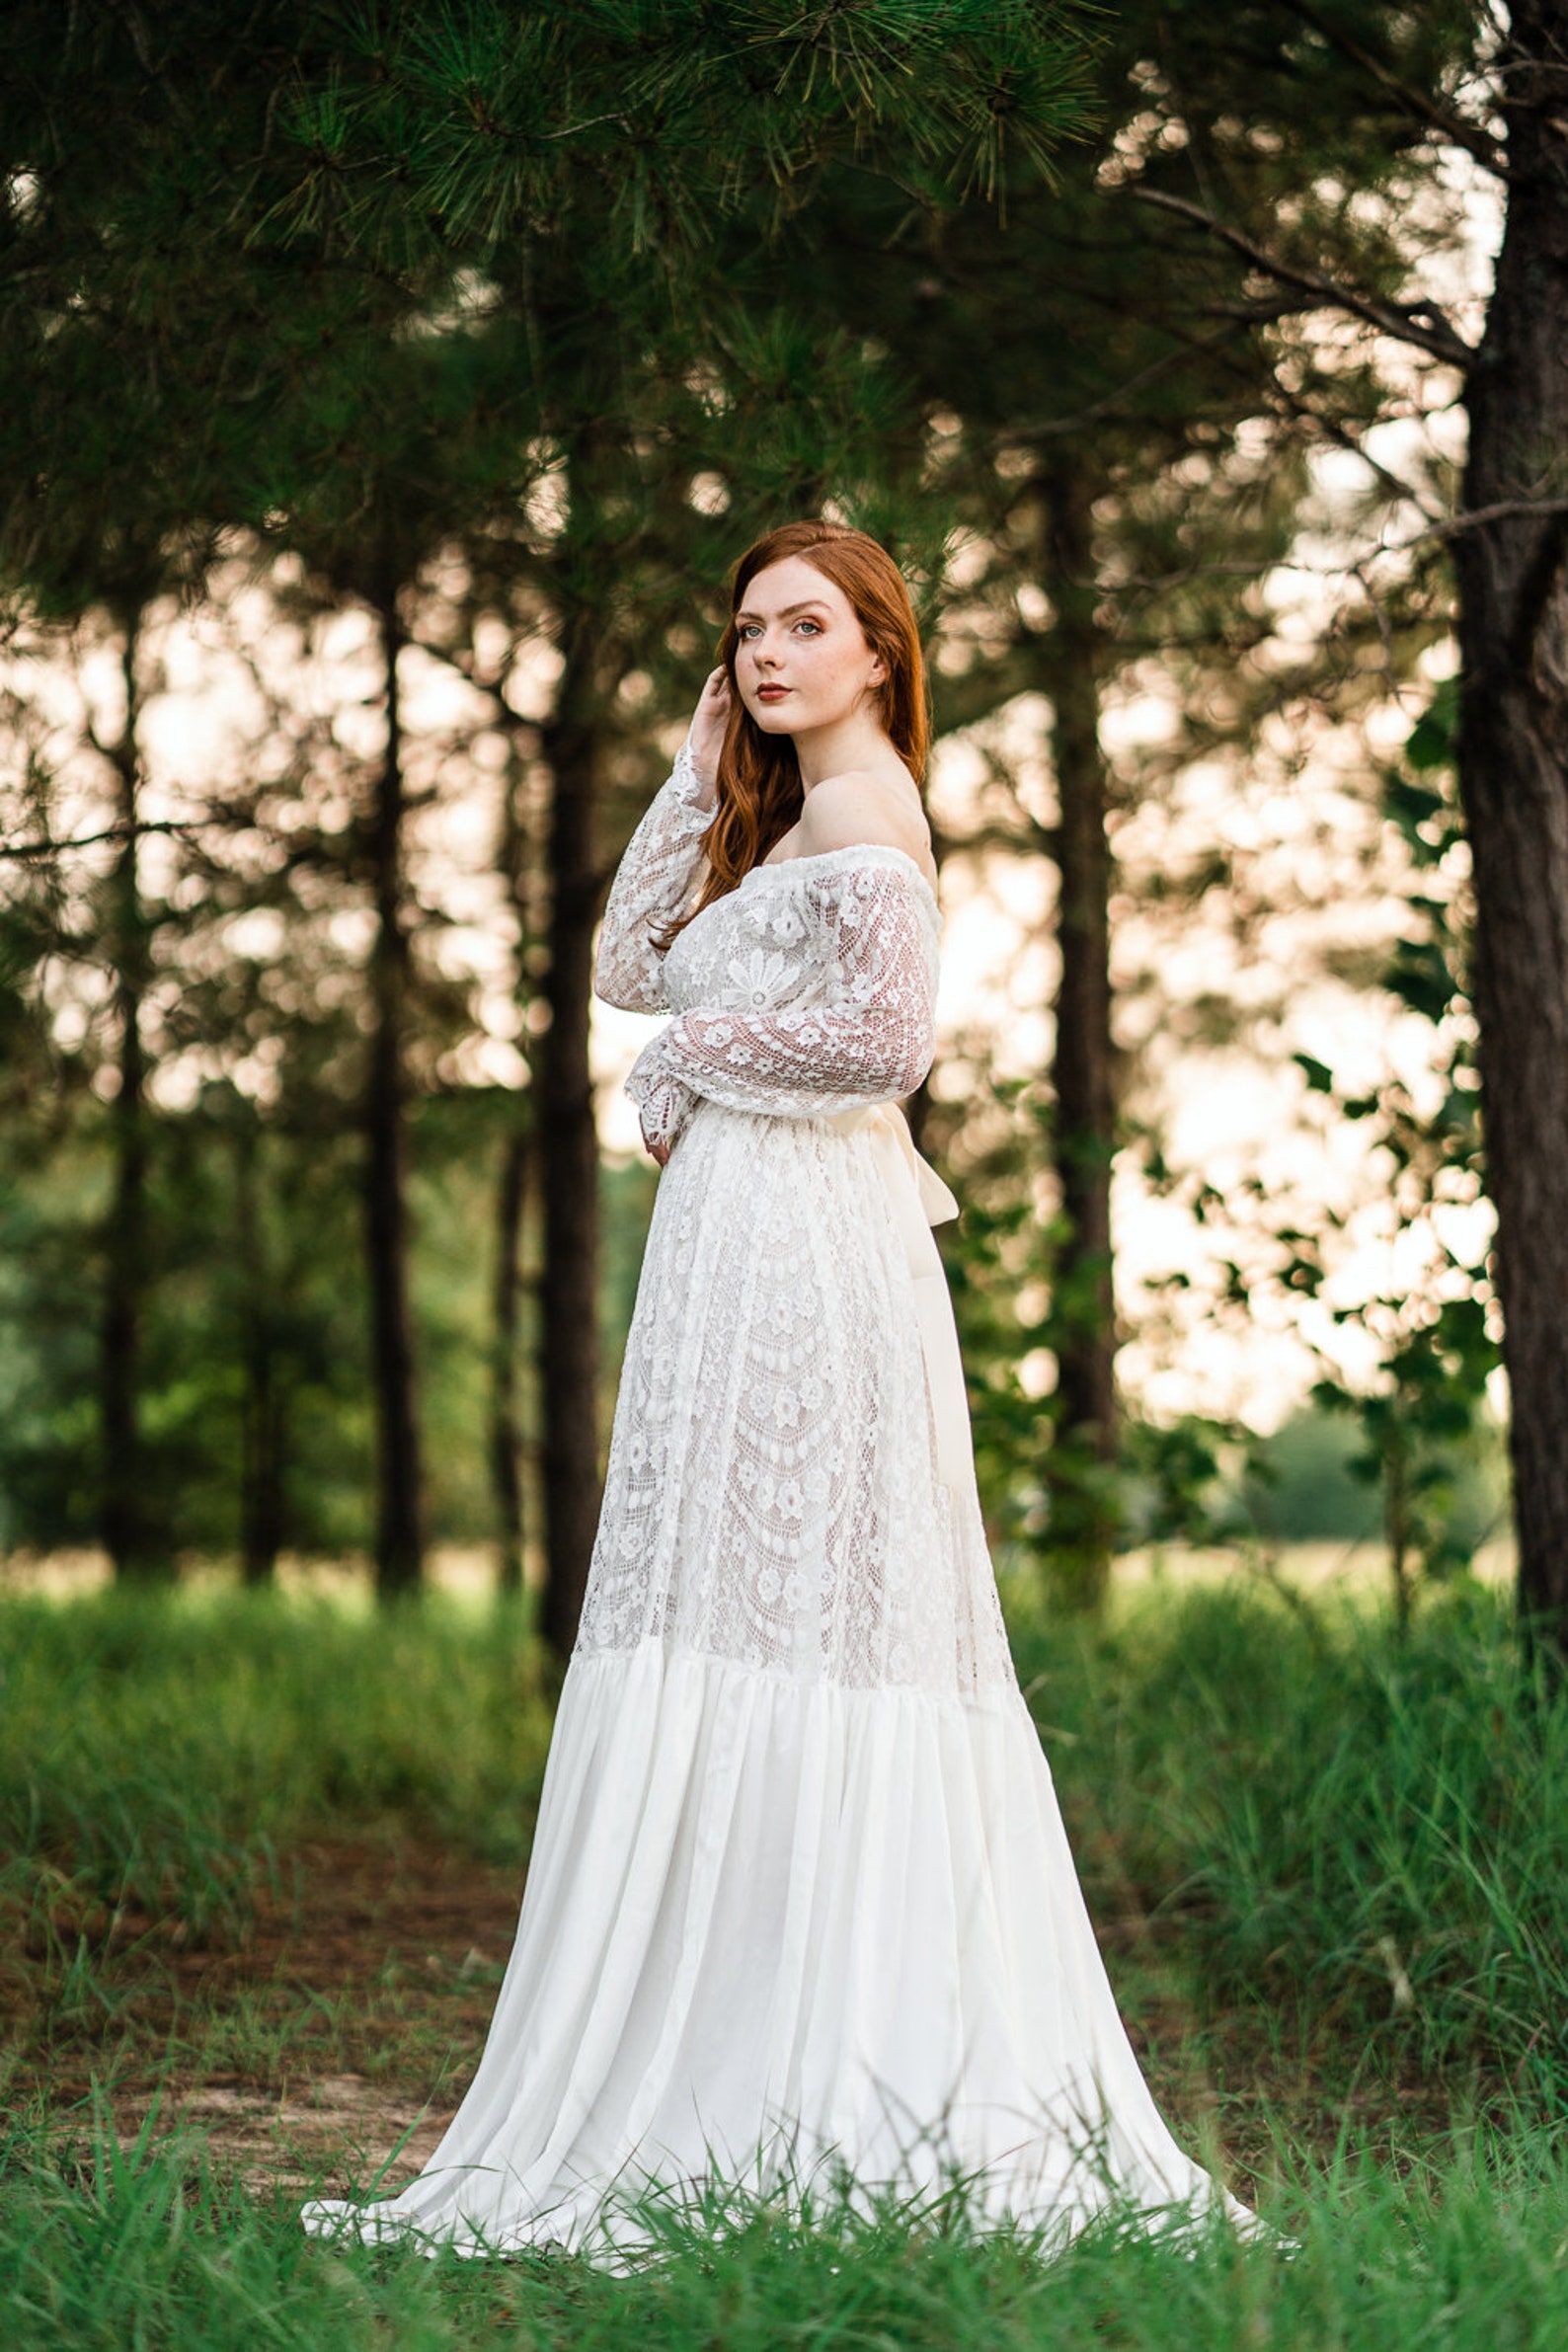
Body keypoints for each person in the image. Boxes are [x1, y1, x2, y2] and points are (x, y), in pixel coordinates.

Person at [302, 519, 1256, 2260]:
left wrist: (692, 1053)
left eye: (806, 625)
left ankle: (812, 2051)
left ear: (882, 650)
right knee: (735, 1615)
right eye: (747, 629)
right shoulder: (785, 814)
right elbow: (623, 962)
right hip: (741, 1241)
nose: (767, 652)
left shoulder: (867, 811)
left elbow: (885, 1043)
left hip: (809, 1241)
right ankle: (723, 2013)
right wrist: (691, 767)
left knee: (796, 1618)